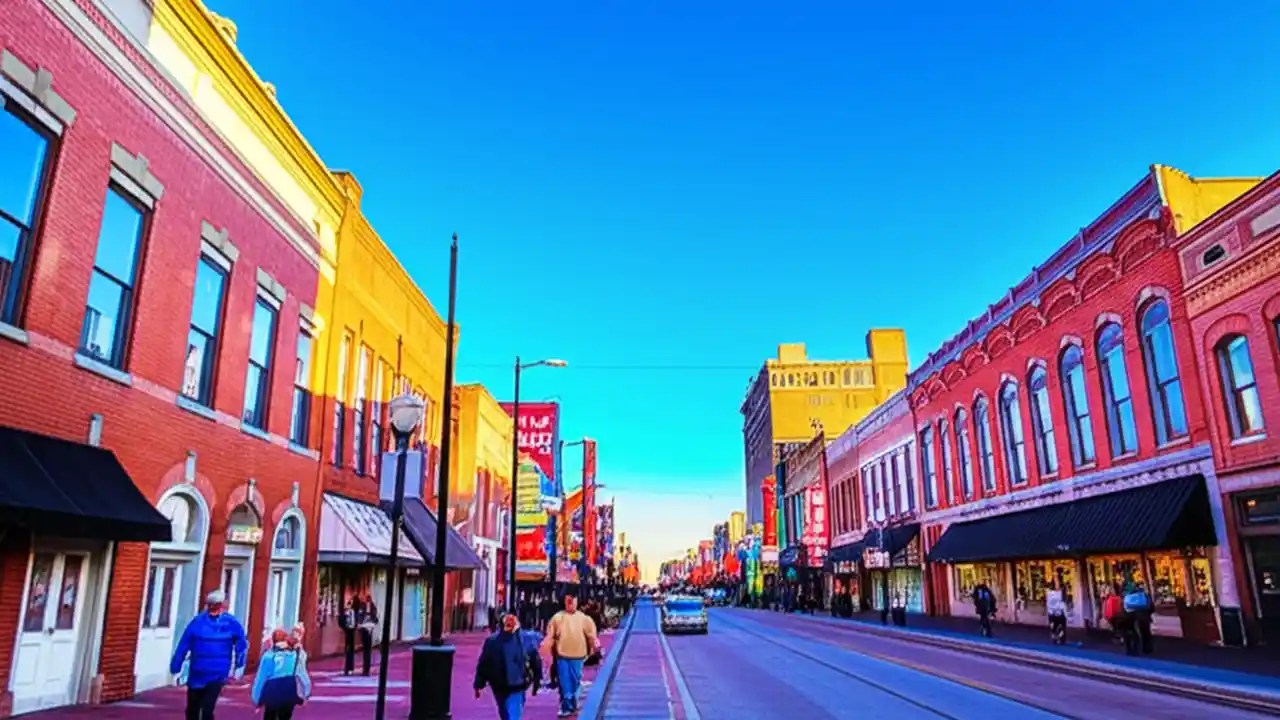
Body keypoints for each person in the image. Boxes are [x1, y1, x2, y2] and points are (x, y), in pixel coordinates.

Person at [170, 590, 248, 720]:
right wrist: (239, 665)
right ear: (222, 605)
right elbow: (242, 645)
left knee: (193, 708)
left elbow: (183, 645)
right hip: (217, 671)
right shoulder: (231, 623)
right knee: (207, 707)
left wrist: (175, 667)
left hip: (198, 671)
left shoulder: (197, 622)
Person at [475, 613, 542, 720]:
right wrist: (479, 683)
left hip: (518, 684)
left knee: (513, 714)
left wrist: (537, 681)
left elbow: (536, 661)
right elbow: (484, 663)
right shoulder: (492, 642)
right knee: (504, 712)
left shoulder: (525, 640)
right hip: (499, 685)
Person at [541, 593, 599, 718]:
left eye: (573, 601)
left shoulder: (584, 619)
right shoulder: (557, 618)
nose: (571, 604)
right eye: (568, 601)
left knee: (575, 680)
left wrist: (593, 648)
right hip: (562, 656)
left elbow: (591, 636)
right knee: (564, 682)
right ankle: (567, 705)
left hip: (578, 656)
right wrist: (546, 648)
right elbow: (550, 636)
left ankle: (572, 703)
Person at [252, 628, 313, 720]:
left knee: (269, 716)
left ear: (273, 640)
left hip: (272, 693)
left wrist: (256, 699)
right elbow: (303, 675)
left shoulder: (268, 656)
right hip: (288, 692)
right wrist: (306, 693)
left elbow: (261, 678)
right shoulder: (294, 656)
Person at [340, 597, 360, 676]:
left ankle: (350, 668)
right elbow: (341, 621)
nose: (350, 604)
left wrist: (355, 626)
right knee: (348, 650)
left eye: (351, 603)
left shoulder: (355, 612)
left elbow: (357, 620)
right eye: (349, 603)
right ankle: (347, 668)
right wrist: (345, 627)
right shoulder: (345, 612)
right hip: (348, 631)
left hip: (352, 631)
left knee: (351, 650)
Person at [359, 594, 379, 675]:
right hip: (368, 630)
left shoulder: (364, 607)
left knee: (366, 650)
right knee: (367, 650)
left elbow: (360, 617)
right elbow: (375, 619)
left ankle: (366, 669)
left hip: (366, 630)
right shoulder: (372, 607)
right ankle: (366, 669)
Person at [1045, 577, 1068, 645]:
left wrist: (1064, 611)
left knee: (1061, 627)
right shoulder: (1050, 593)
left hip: (1060, 613)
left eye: (1058, 583)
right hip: (1053, 613)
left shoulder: (1062, 592)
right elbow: (1049, 603)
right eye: (1056, 583)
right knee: (1054, 627)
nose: (1057, 585)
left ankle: (1061, 640)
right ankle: (1055, 639)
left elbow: (1063, 602)